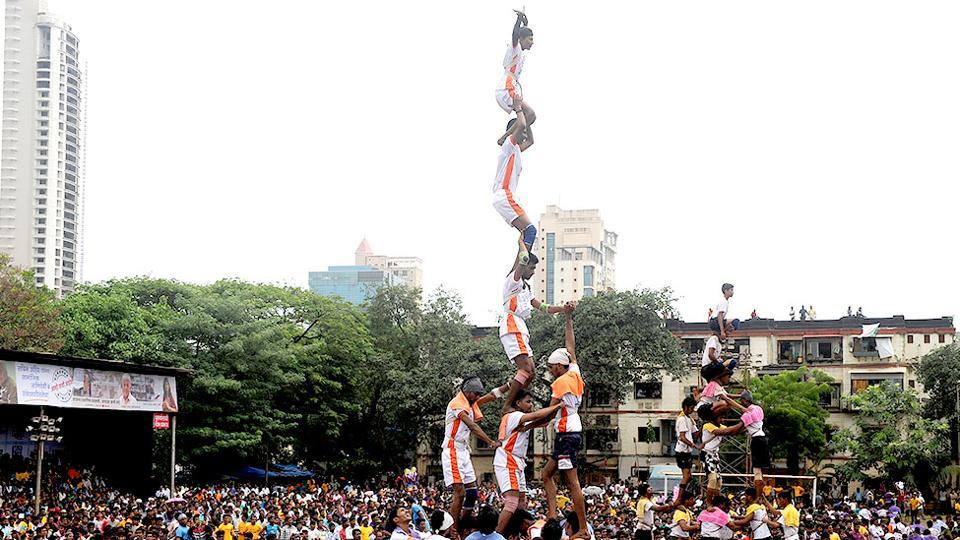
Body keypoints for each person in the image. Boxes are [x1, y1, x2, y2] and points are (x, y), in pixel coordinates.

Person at [499, 238, 573, 408]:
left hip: (521, 327)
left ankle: (511, 399)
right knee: (526, 369)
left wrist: (564, 309)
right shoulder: (513, 281)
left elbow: (544, 308)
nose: (533, 272)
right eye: (531, 268)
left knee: (531, 373)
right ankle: (508, 405)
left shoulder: (527, 288)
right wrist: (521, 242)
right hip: (512, 324)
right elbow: (524, 258)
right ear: (524, 266)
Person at [539, 311, 588, 538]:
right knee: (546, 474)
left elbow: (549, 413)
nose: (550, 371)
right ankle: (552, 516)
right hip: (569, 432)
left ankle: (583, 527)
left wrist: (526, 423)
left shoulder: (560, 383)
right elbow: (571, 347)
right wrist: (568, 319)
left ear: (559, 366)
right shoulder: (574, 372)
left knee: (572, 482)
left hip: (566, 433)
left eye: (551, 367)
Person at [493, 390, 562, 533]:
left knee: (521, 503)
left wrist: (556, 408)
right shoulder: (514, 415)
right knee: (511, 502)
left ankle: (513, 532)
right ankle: (497, 535)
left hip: (518, 461)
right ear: (518, 403)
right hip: (508, 459)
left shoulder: (523, 419)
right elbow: (537, 415)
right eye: (528, 402)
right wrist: (557, 406)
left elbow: (545, 421)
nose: (531, 405)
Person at [440, 377, 502, 536]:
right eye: (476, 394)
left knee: (473, 492)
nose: (478, 397)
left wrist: (511, 385)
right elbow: (472, 426)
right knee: (460, 493)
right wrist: (490, 442)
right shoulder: (457, 404)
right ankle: (453, 530)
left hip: (463, 451)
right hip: (452, 450)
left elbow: (492, 395)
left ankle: (463, 523)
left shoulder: (470, 403)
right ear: (467, 392)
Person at [492, 113, 536, 262]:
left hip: (504, 197)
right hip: (505, 195)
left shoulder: (515, 149)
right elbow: (521, 124)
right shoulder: (509, 145)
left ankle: (517, 270)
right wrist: (519, 108)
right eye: (522, 132)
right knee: (530, 231)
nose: (524, 135)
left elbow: (531, 141)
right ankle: (520, 269)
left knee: (526, 235)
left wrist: (528, 121)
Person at [495, 10, 536, 142]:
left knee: (529, 116)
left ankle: (508, 137)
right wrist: (519, 20)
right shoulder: (515, 47)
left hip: (513, 86)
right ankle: (506, 138)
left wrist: (525, 24)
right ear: (521, 39)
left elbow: (520, 34)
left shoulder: (520, 52)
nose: (532, 42)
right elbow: (515, 35)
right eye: (530, 39)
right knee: (530, 114)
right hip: (507, 87)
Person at [697, 402, 745, 505]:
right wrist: (743, 422)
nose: (722, 420)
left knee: (719, 482)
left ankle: (717, 501)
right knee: (712, 479)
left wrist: (748, 425)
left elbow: (734, 431)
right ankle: (708, 503)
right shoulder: (707, 426)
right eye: (720, 417)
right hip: (707, 454)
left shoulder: (719, 425)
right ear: (713, 418)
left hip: (715, 455)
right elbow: (725, 431)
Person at [722, 391, 769, 495]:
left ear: (744, 400)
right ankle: (762, 495)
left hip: (756, 440)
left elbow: (738, 428)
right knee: (762, 470)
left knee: (756, 471)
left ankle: (758, 496)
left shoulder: (746, 415)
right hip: (763, 439)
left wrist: (724, 431)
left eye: (741, 401)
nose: (741, 403)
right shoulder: (758, 408)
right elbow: (749, 426)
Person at [674, 397, 701, 498]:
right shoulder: (681, 419)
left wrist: (703, 426)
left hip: (688, 451)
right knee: (686, 476)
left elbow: (695, 434)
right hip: (681, 451)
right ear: (685, 407)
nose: (692, 410)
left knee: (689, 476)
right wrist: (692, 444)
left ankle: (685, 495)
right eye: (691, 408)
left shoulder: (690, 419)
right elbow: (682, 437)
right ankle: (679, 497)